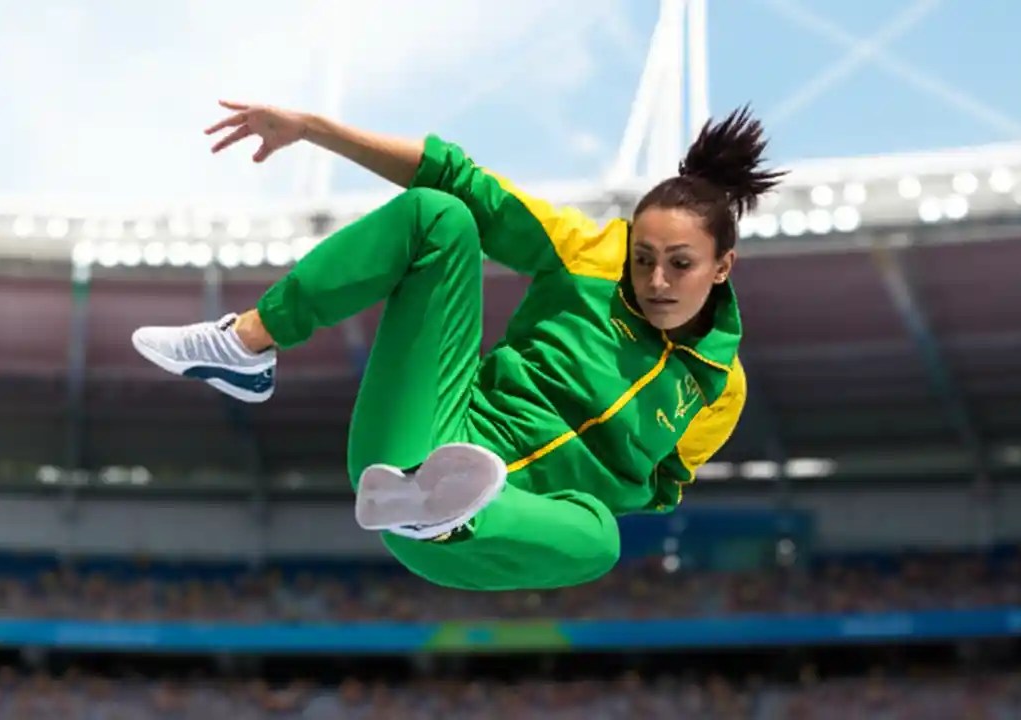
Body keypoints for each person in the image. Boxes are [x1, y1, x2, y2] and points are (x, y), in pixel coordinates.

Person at [132, 99, 785, 591]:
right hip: (422, 446)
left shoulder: (720, 392)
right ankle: (247, 347)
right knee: (440, 216)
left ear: (722, 267)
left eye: (679, 264)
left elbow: (661, 488)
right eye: (643, 259)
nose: (655, 281)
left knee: (603, 538)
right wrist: (314, 130)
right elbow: (458, 176)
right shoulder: (589, 253)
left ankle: (454, 511)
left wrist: (559, 495)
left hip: (489, 532)